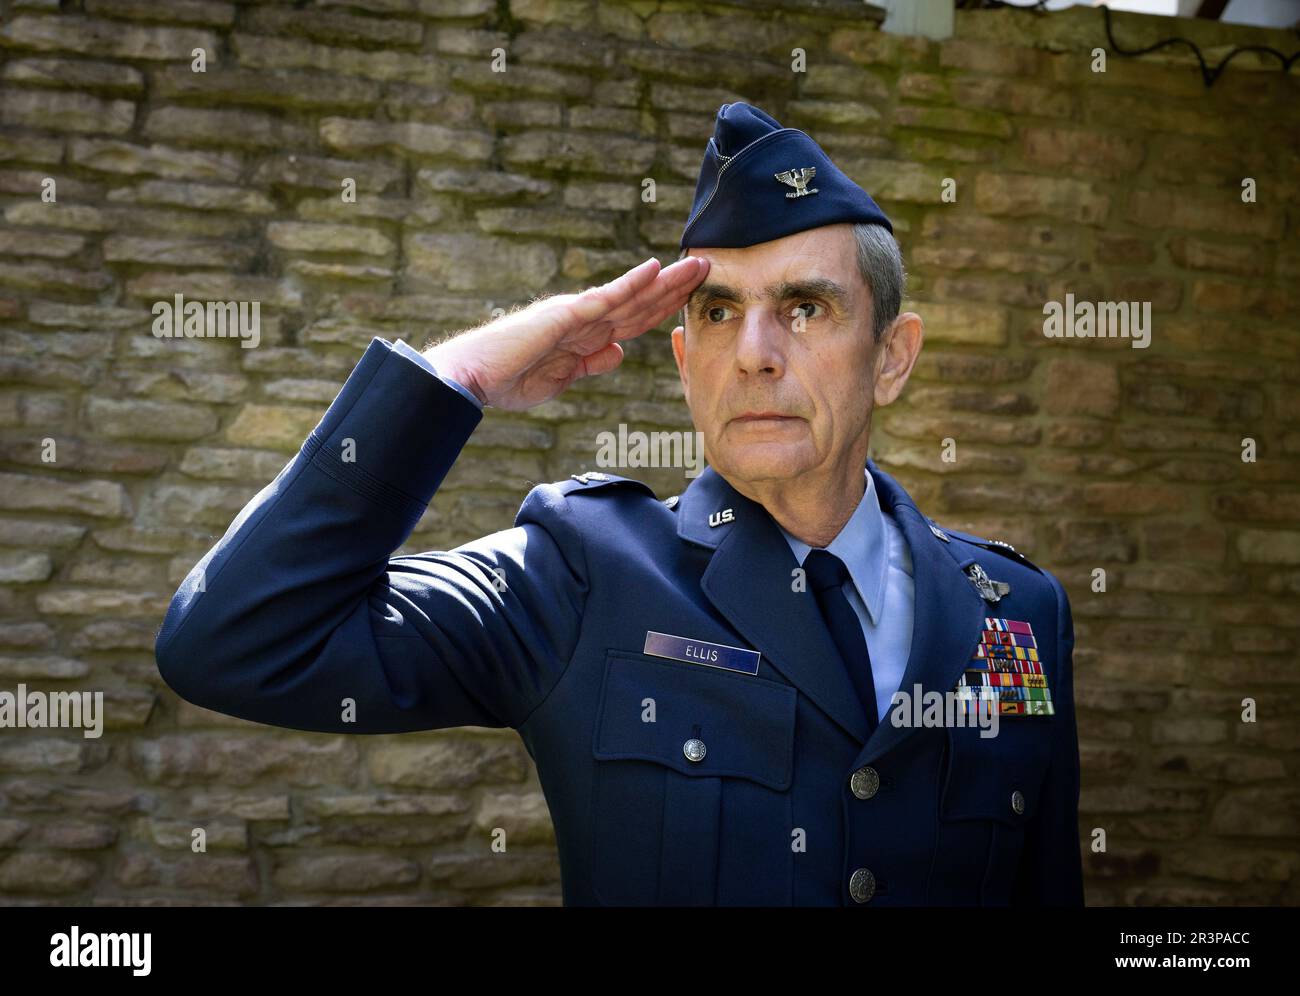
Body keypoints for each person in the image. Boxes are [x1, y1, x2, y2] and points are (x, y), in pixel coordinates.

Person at [155, 101, 1083, 906]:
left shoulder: (1015, 614)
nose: (755, 351)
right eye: (716, 313)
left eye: (804, 308)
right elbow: (233, 638)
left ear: (892, 356)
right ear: (684, 365)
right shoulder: (583, 573)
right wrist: (458, 377)